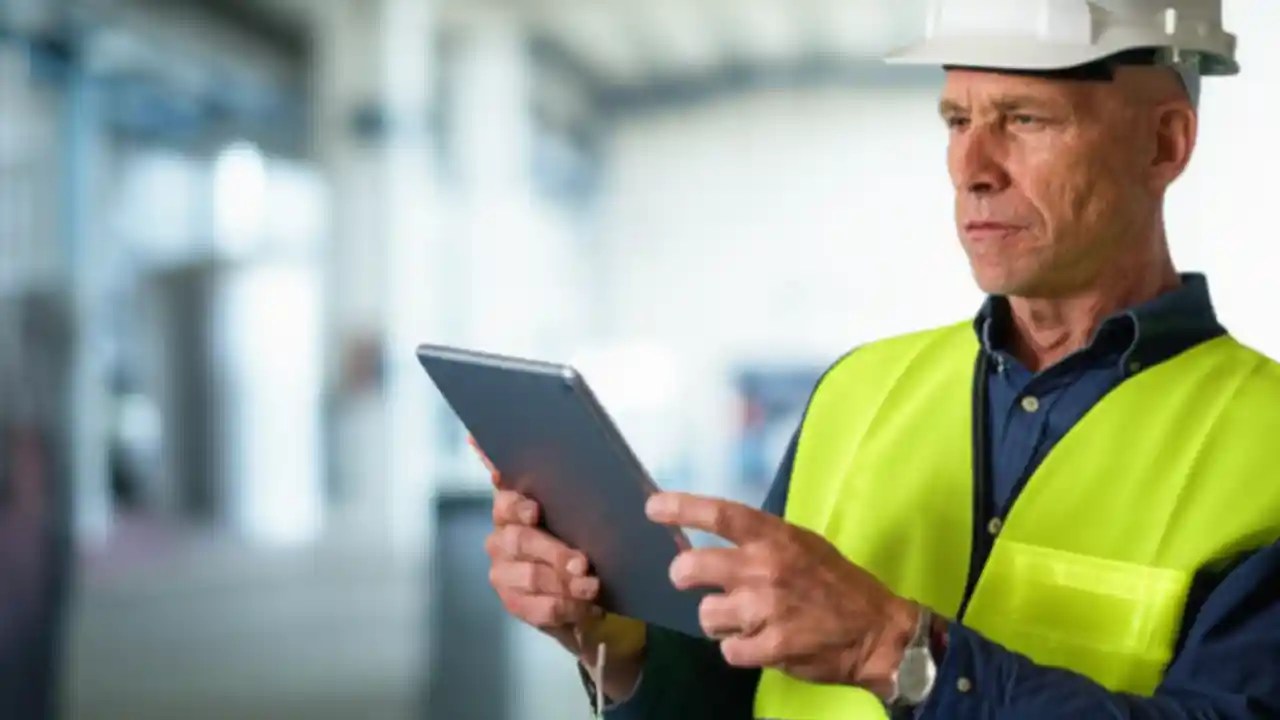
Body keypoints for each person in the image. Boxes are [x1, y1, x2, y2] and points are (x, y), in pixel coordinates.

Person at [479, 1, 1280, 717]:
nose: (974, 170)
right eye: (957, 122)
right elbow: (744, 693)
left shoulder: (1264, 445)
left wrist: (898, 655)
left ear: (1165, 143)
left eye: (1027, 120)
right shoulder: (857, 391)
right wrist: (613, 638)